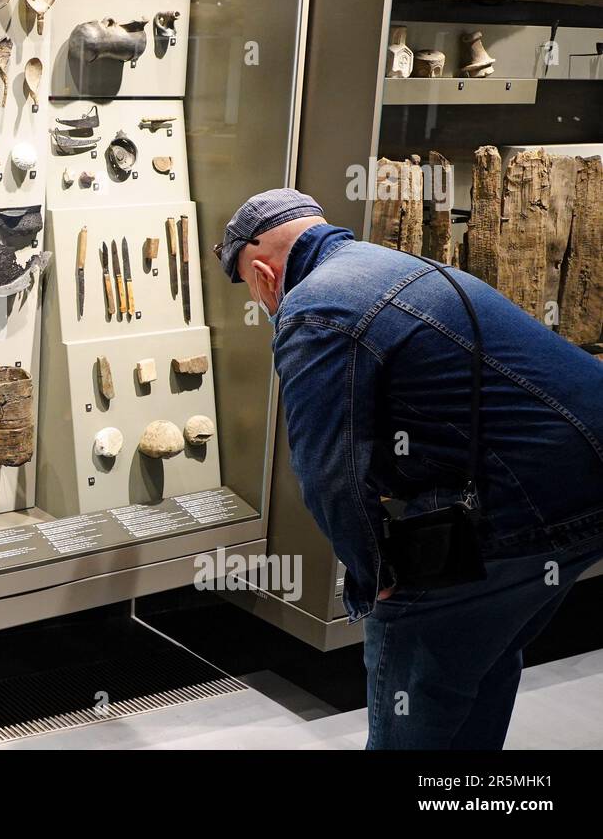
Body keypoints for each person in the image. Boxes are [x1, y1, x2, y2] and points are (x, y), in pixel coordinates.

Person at [216, 188, 603, 750]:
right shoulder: (390, 265)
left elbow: (328, 471)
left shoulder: (316, 307)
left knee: (415, 679)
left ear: (261, 273)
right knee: (480, 659)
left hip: (526, 503)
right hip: (583, 484)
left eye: (249, 289)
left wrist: (375, 575)